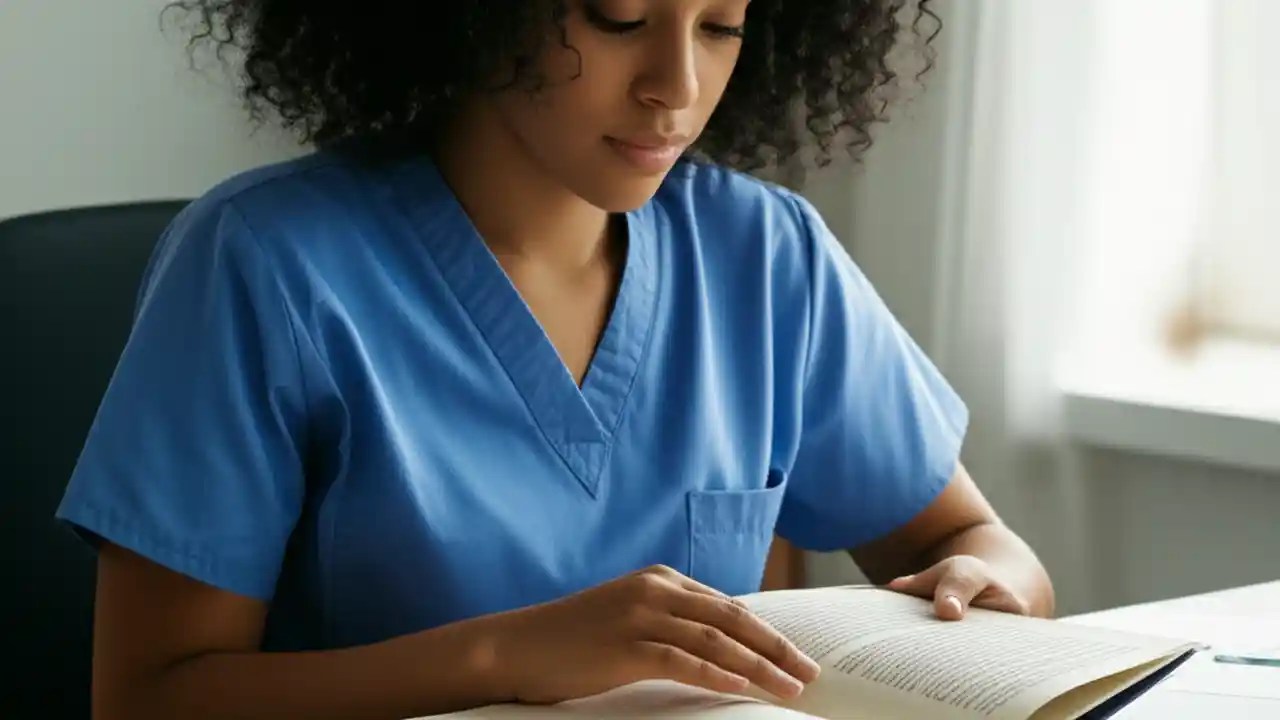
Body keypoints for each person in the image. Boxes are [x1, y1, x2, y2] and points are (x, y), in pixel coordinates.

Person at [56, 1, 1055, 718]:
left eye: (719, 25)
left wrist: (988, 587)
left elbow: (969, 540)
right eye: (618, 20)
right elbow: (151, 696)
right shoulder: (266, 263)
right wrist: (510, 654)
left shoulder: (765, 255)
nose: (676, 85)